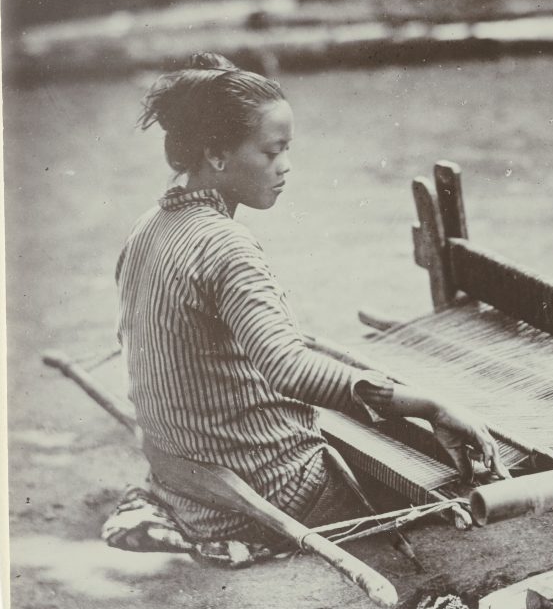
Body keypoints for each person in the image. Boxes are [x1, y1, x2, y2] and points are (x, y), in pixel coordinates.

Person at [115, 51, 508, 547]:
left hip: (193, 484)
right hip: (270, 493)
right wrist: (431, 405)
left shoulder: (150, 226)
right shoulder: (224, 244)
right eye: (271, 151)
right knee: (472, 496)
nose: (286, 166)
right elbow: (290, 371)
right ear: (216, 155)